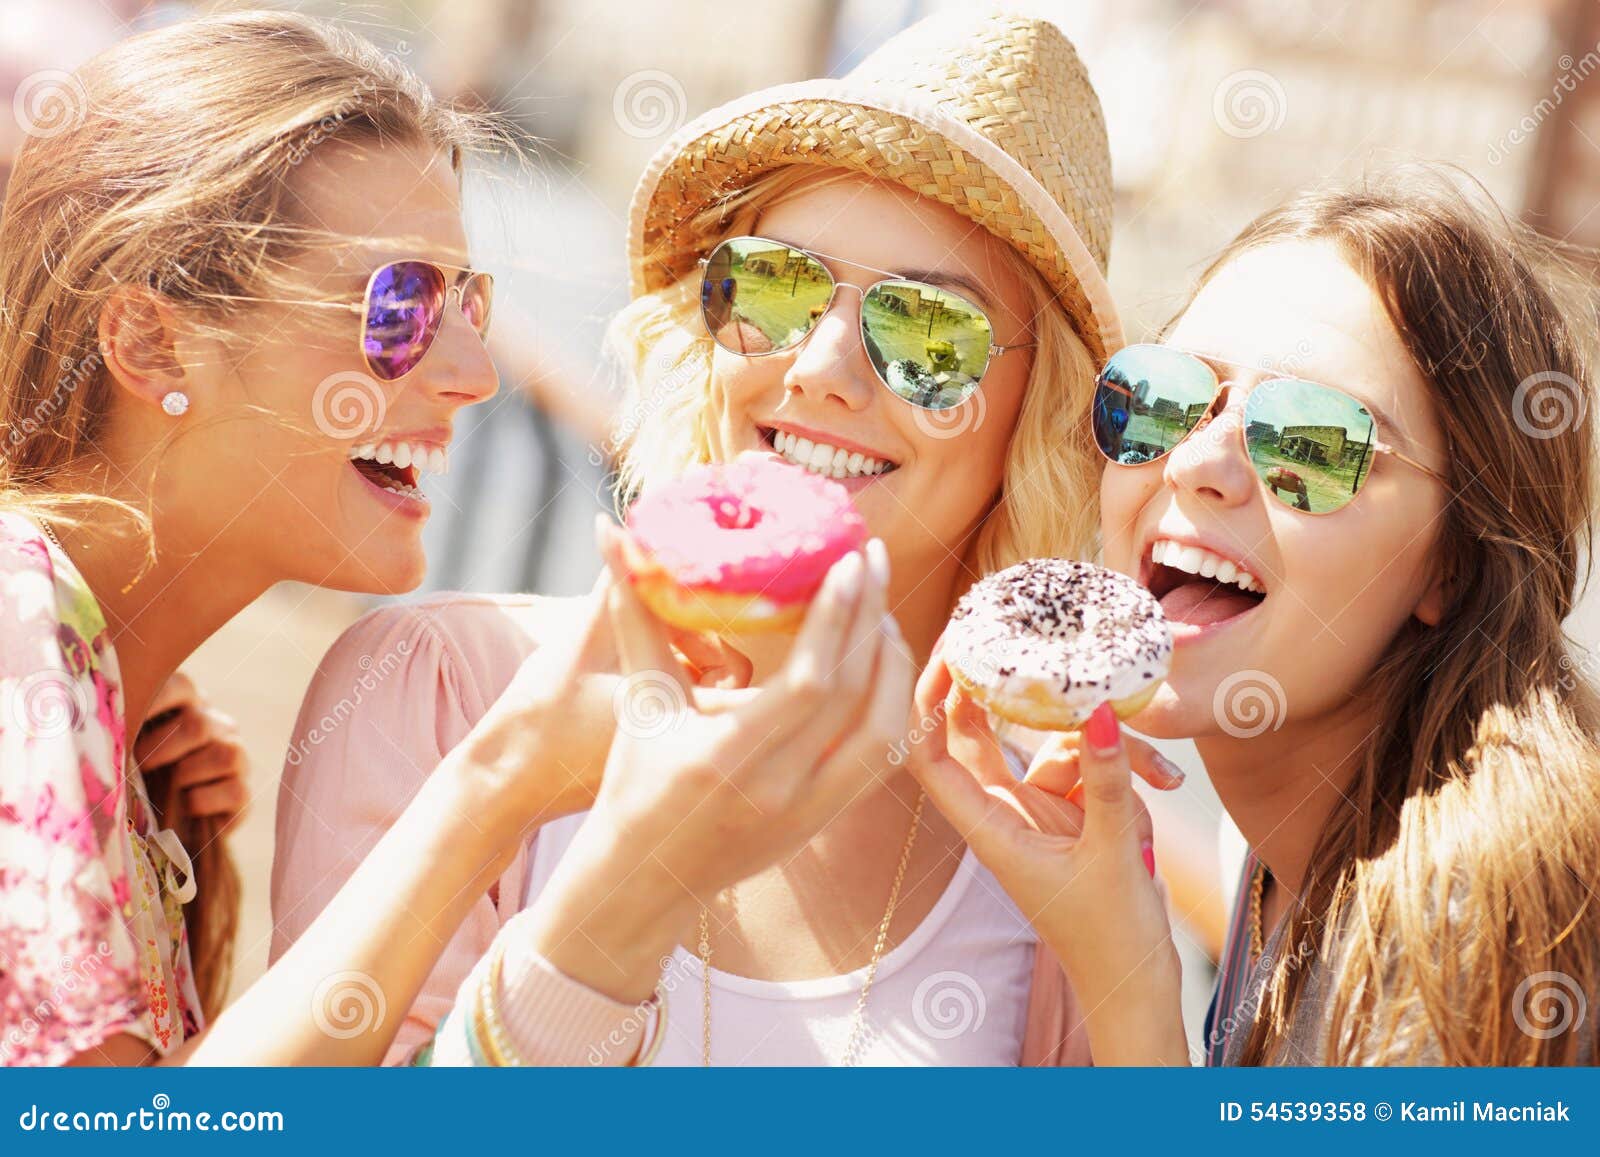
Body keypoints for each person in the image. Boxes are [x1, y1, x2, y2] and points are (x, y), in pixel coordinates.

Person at [272, 9, 1184, 1066]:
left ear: (1036, 413)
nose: (819, 367)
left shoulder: (1062, 839)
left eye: (930, 331)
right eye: (773, 287)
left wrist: (1131, 983)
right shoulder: (440, 693)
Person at [0, 9, 881, 1069]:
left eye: (468, 300)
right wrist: (499, 780)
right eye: (399, 304)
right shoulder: (18, 627)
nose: (474, 370)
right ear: (152, 339)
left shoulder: (111, 722)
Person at [911, 168, 1600, 1066]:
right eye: (1161, 397)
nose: (1197, 460)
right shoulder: (1283, 849)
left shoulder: (1478, 937)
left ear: (1453, 563)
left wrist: (1124, 973)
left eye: (1308, 440)